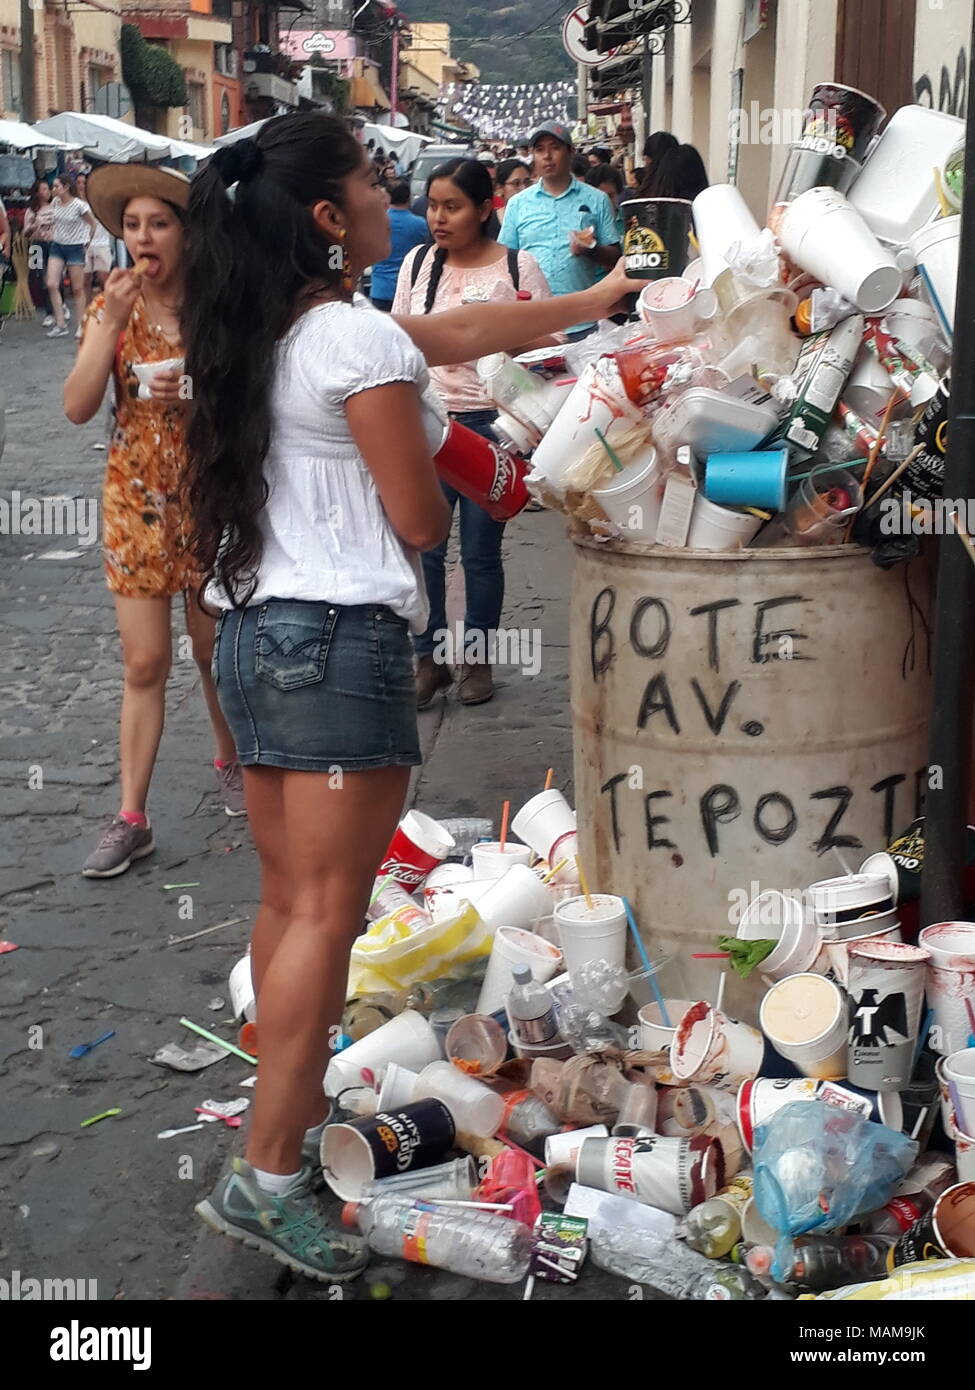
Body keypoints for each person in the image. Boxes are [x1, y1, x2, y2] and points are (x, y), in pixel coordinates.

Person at [179, 112, 640, 1281]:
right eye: (372, 182)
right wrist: (449, 446)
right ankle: (272, 1172)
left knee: (294, 907)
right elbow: (424, 520)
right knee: (329, 918)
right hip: (339, 644)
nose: (394, 195)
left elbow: (472, 328)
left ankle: (268, 1139)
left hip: (253, 633)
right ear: (330, 218)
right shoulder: (359, 344)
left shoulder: (268, 329)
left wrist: (605, 302)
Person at [63, 164, 245, 878]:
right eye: (132, 225)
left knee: (210, 652)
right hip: (134, 495)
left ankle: (231, 760)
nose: (142, 238)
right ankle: (131, 815)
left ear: (189, 234)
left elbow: (245, 400)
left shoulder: (219, 307)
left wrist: (192, 389)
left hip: (208, 496)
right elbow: (77, 407)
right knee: (144, 661)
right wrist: (106, 324)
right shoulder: (114, 307)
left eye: (158, 223)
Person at [393, 157, 555, 710]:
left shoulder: (518, 268)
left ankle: (477, 658)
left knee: (482, 553)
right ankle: (428, 658)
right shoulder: (416, 265)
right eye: (433, 205)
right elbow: (399, 339)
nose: (438, 218)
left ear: (485, 210)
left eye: (453, 206)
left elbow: (549, 341)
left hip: (493, 426)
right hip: (429, 425)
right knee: (426, 549)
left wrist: (513, 345)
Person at [499, 120, 620, 340]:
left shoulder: (596, 199)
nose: (547, 156)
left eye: (555, 148)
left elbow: (616, 258)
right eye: (539, 149)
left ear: (571, 152)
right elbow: (504, 261)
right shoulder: (518, 204)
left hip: (584, 323)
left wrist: (590, 248)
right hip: (533, 325)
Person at [47, 175, 95, 340]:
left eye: (56, 186)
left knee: (77, 288)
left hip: (75, 247)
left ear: (66, 187)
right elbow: (54, 221)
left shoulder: (79, 205)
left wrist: (87, 242)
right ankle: (60, 324)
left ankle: (81, 325)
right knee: (52, 283)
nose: (53, 190)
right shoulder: (55, 203)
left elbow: (92, 223)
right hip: (58, 245)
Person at [369, 180, 427, 312]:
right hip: (411, 289)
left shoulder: (376, 223)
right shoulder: (421, 225)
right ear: (409, 197)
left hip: (380, 289)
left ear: (387, 197)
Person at [76, 170, 114, 318]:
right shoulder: (76, 204)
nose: (81, 186)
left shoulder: (98, 200)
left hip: (101, 242)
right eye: (78, 183)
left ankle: (106, 308)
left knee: (104, 278)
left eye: (84, 183)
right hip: (83, 244)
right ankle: (88, 312)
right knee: (85, 280)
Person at [23, 181, 56, 325]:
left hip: (54, 244)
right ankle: (49, 312)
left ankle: (59, 305)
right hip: (37, 246)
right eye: (43, 189)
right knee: (42, 277)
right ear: (37, 192)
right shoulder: (31, 210)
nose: (47, 191)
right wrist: (34, 225)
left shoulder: (55, 206)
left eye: (47, 188)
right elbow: (26, 233)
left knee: (56, 276)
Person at [586, 163, 625, 239]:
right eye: (600, 197)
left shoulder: (629, 220)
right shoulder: (584, 223)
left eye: (610, 196)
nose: (606, 202)